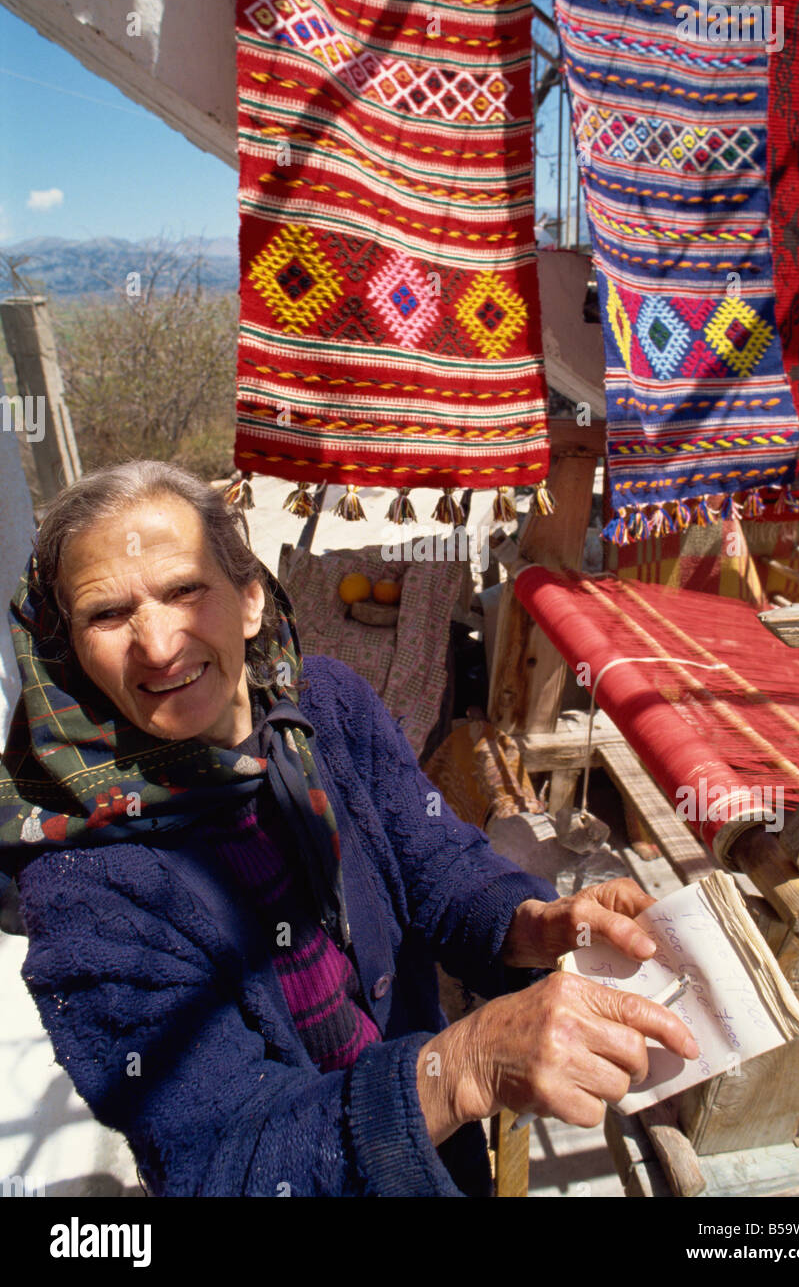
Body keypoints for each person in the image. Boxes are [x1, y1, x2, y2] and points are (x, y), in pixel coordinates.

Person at [0, 461, 698, 1197]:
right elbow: (219, 1162)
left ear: (247, 598)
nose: (158, 643)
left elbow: (436, 862)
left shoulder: (327, 706)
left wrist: (532, 921)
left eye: (184, 590)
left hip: (433, 1153)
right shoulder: (84, 885)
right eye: (106, 615)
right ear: (68, 651)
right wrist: (457, 1069)